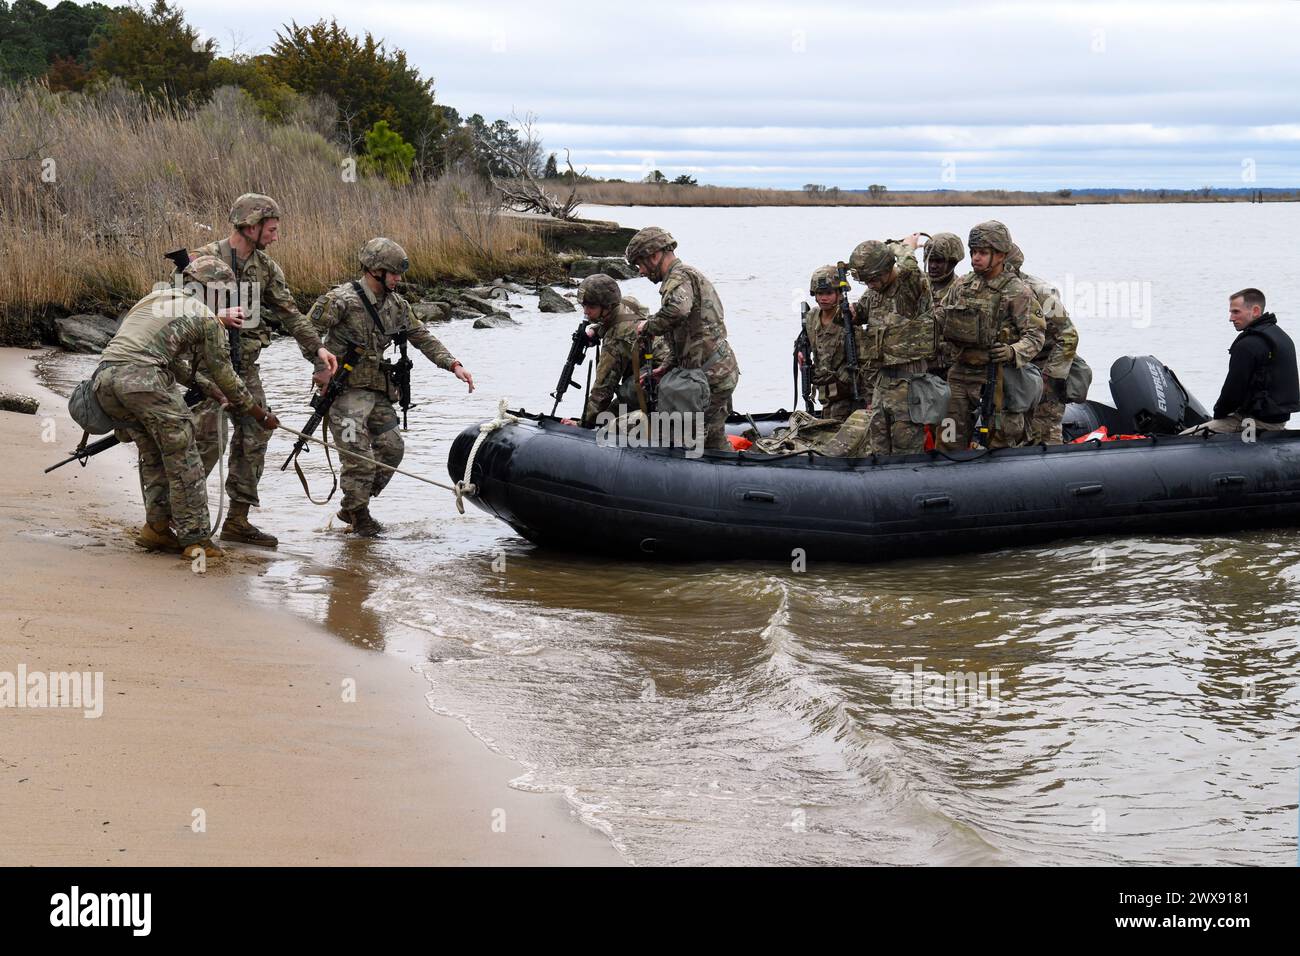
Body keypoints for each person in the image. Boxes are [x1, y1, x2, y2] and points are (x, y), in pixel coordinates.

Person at [94, 256, 278, 561]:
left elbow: (170, 361)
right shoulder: (206, 317)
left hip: (104, 380)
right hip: (143, 380)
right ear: (214, 290)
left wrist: (209, 389)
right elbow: (227, 375)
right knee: (184, 454)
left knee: (153, 451)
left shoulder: (156, 298)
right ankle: (196, 540)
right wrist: (259, 414)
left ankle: (156, 529)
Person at [192, 193, 339, 548]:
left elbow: (290, 315)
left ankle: (237, 520)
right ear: (251, 226)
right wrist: (214, 316)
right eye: (271, 229)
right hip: (205, 369)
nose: (275, 236)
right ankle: (181, 518)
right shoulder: (202, 260)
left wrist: (318, 350)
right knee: (206, 442)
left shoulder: (267, 269)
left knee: (258, 430)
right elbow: (170, 308)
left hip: (246, 368)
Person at [309, 238, 474, 537]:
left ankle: (353, 506)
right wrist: (321, 366)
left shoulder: (397, 305)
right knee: (357, 457)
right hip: (343, 393)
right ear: (375, 271)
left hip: (376, 392)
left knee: (392, 448)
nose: (399, 279)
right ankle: (360, 518)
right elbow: (306, 331)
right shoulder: (341, 300)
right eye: (394, 273)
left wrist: (453, 365)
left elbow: (422, 337)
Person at [627, 227, 741, 451]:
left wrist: (647, 326)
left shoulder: (678, 278)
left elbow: (678, 311)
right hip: (717, 372)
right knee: (713, 437)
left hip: (710, 377)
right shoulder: (686, 277)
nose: (640, 271)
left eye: (640, 264)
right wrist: (667, 366)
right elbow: (690, 336)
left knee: (693, 440)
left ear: (654, 255)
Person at [935, 221, 1045, 449]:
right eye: (973, 252)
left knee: (1000, 441)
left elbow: (1035, 336)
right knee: (947, 438)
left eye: (983, 253)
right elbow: (939, 318)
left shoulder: (1017, 291)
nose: (976, 258)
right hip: (960, 373)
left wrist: (1012, 351)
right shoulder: (962, 285)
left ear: (1001, 255)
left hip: (996, 376)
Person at [850, 235, 937, 455]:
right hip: (882, 382)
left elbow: (910, 266)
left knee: (906, 447)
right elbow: (861, 313)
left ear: (887, 268)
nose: (870, 284)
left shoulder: (910, 285)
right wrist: (852, 313)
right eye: (865, 279)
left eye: (874, 278)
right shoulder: (873, 293)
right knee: (878, 444)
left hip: (908, 381)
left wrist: (905, 245)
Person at [557, 275, 670, 427]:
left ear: (607, 306)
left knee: (612, 410)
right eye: (584, 306)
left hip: (657, 379)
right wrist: (597, 331)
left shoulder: (615, 341)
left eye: (591, 307)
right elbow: (623, 320)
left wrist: (583, 424)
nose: (586, 312)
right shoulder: (628, 302)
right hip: (667, 365)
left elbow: (602, 389)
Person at [1180, 288, 1298, 435]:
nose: (1231, 318)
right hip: (1278, 420)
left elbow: (1232, 391)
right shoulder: (1279, 336)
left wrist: (1219, 416)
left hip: (1255, 422)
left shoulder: (1248, 345)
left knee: (1182, 437)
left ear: (1255, 311)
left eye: (1236, 312)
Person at [1005, 243, 1080, 444]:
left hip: (1046, 366)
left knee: (1045, 430)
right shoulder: (994, 291)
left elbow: (1068, 335)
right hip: (1017, 368)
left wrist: (1050, 377)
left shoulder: (1042, 292)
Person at [795, 264, 862, 422]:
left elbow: (861, 357)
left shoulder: (847, 317)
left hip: (847, 393)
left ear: (839, 294)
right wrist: (799, 352)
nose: (823, 298)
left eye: (829, 293)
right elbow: (805, 341)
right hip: (825, 394)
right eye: (819, 293)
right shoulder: (812, 317)